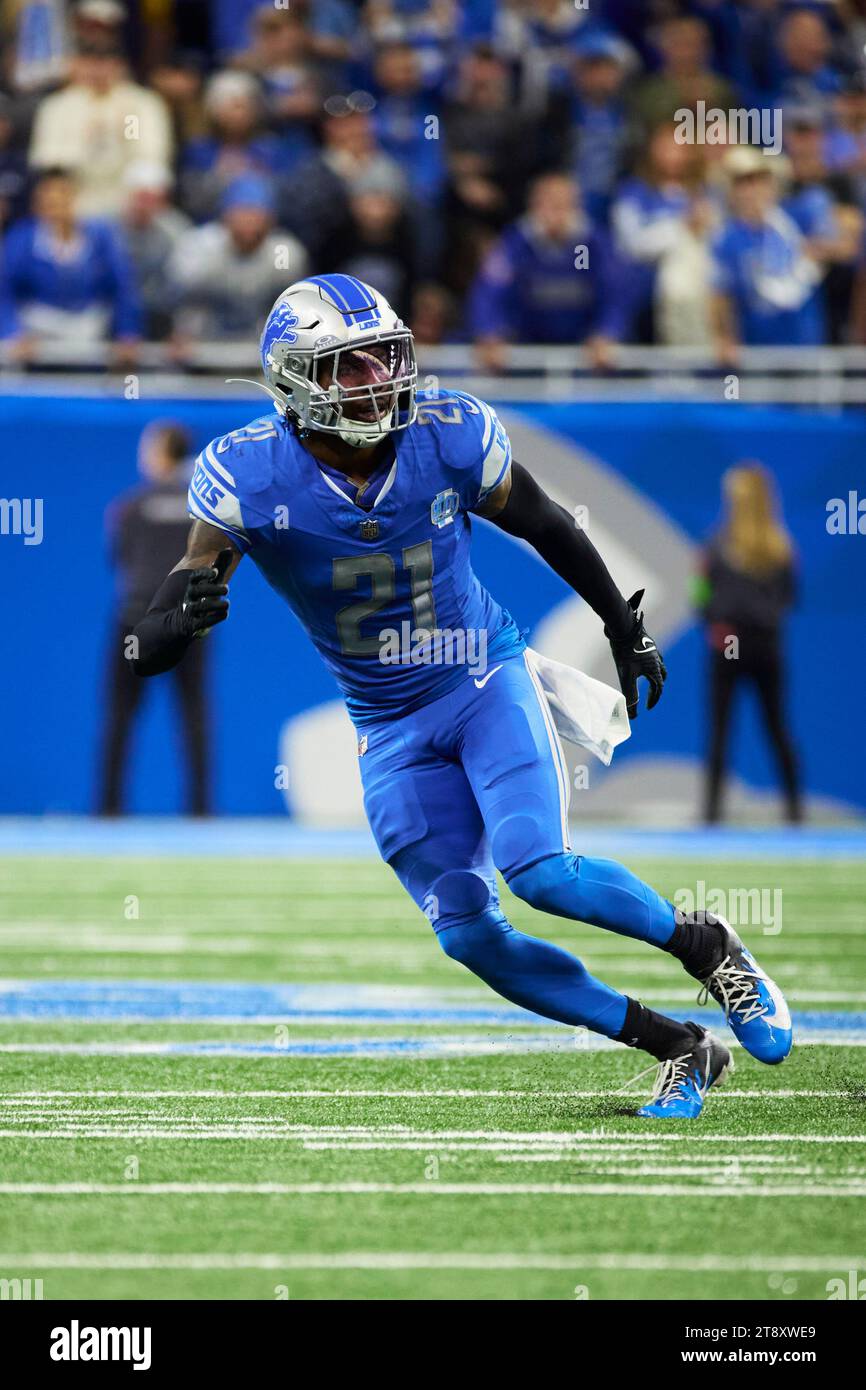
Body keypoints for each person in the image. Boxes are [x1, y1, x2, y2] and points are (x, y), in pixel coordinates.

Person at [129, 272, 792, 1119]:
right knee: (471, 936)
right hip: (387, 725)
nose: (381, 381)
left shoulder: (446, 437)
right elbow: (153, 638)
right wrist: (173, 622)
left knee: (542, 873)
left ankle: (712, 949)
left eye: (386, 358)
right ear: (296, 379)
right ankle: (681, 1046)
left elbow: (546, 521)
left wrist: (621, 627)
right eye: (352, 367)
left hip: (481, 679)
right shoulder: (251, 476)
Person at [100, 423, 212, 816]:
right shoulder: (204, 508)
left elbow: (120, 559)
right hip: (189, 622)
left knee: (120, 714)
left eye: (149, 447)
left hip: (135, 621)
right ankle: (201, 810)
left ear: (163, 453)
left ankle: (109, 809)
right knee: (194, 712)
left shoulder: (129, 505)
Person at [694, 463, 802, 826]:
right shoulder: (723, 546)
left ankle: (789, 813)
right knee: (737, 730)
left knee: (763, 728)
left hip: (750, 647)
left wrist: (726, 618)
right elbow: (701, 596)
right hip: (742, 647)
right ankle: (716, 815)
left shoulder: (772, 550)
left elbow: (786, 600)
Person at [0, 167, 140, 367]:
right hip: (36, 335)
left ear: (76, 198)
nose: (55, 203)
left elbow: (122, 288)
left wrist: (127, 334)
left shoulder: (102, 237)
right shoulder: (21, 238)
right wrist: (12, 333)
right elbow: (4, 291)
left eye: (62, 195)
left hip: (90, 332)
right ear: (38, 202)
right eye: (48, 198)